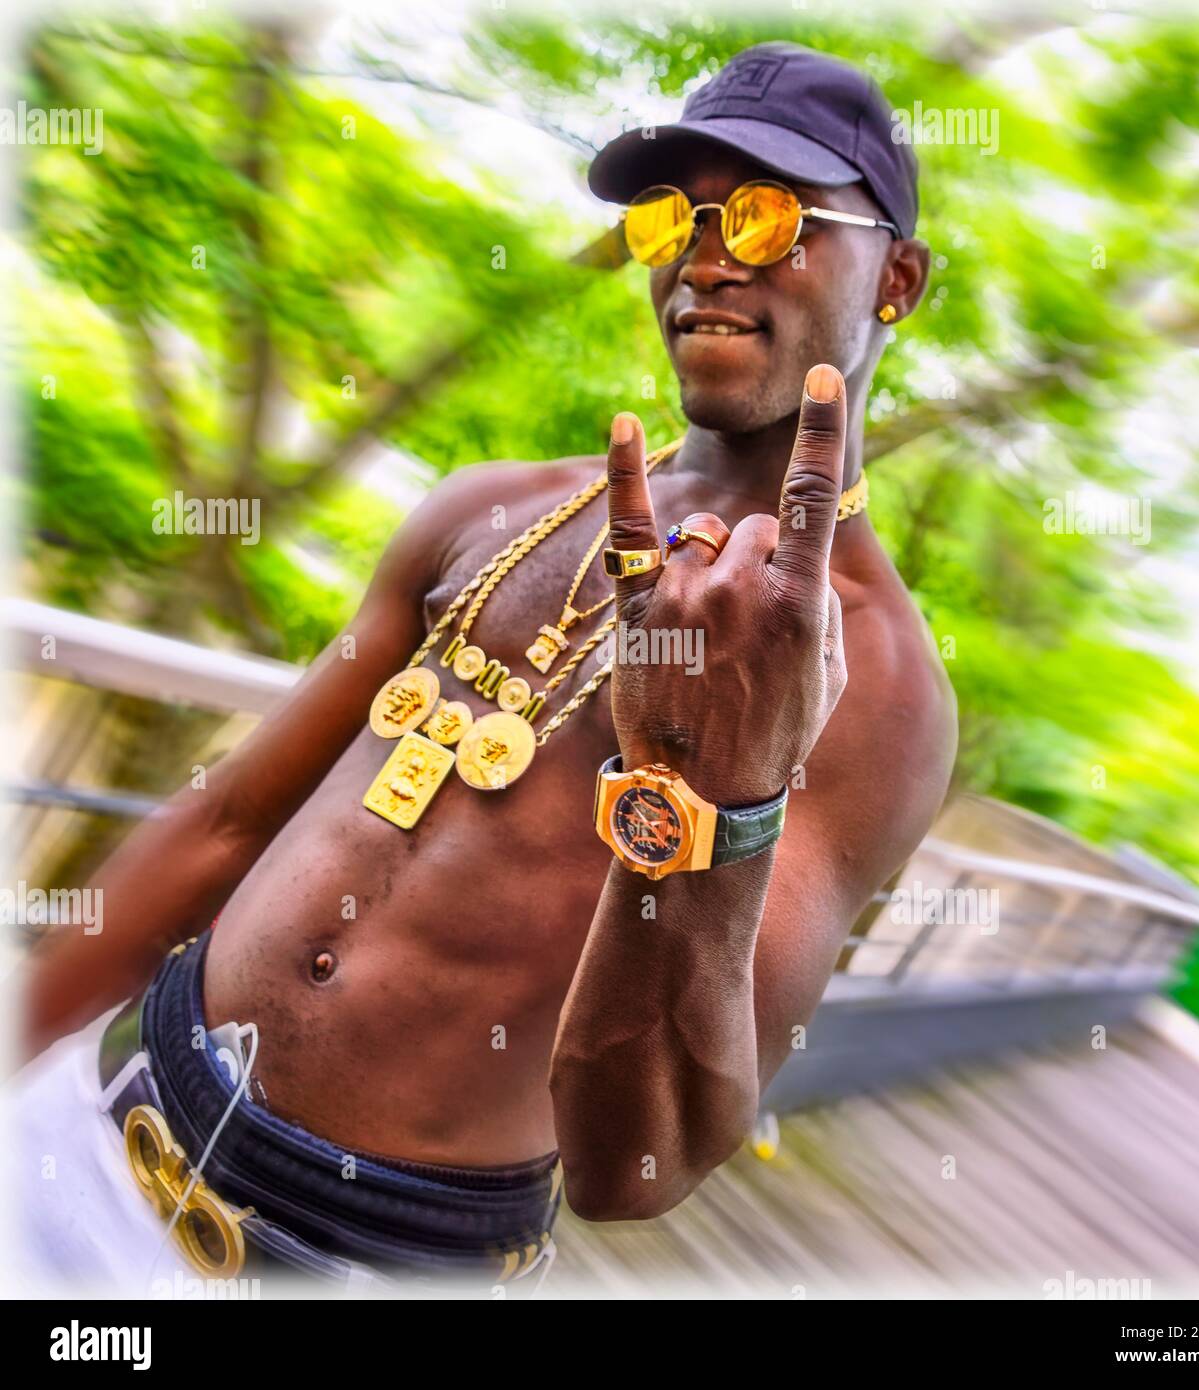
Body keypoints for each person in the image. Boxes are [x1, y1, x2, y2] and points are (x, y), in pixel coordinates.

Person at [12, 41, 956, 1292]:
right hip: (85, 1122)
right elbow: (230, 817)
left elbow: (639, 1166)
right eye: (674, 217)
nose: (707, 253)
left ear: (894, 274)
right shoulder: (486, 509)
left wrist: (707, 791)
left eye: (772, 215)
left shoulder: (875, 684)